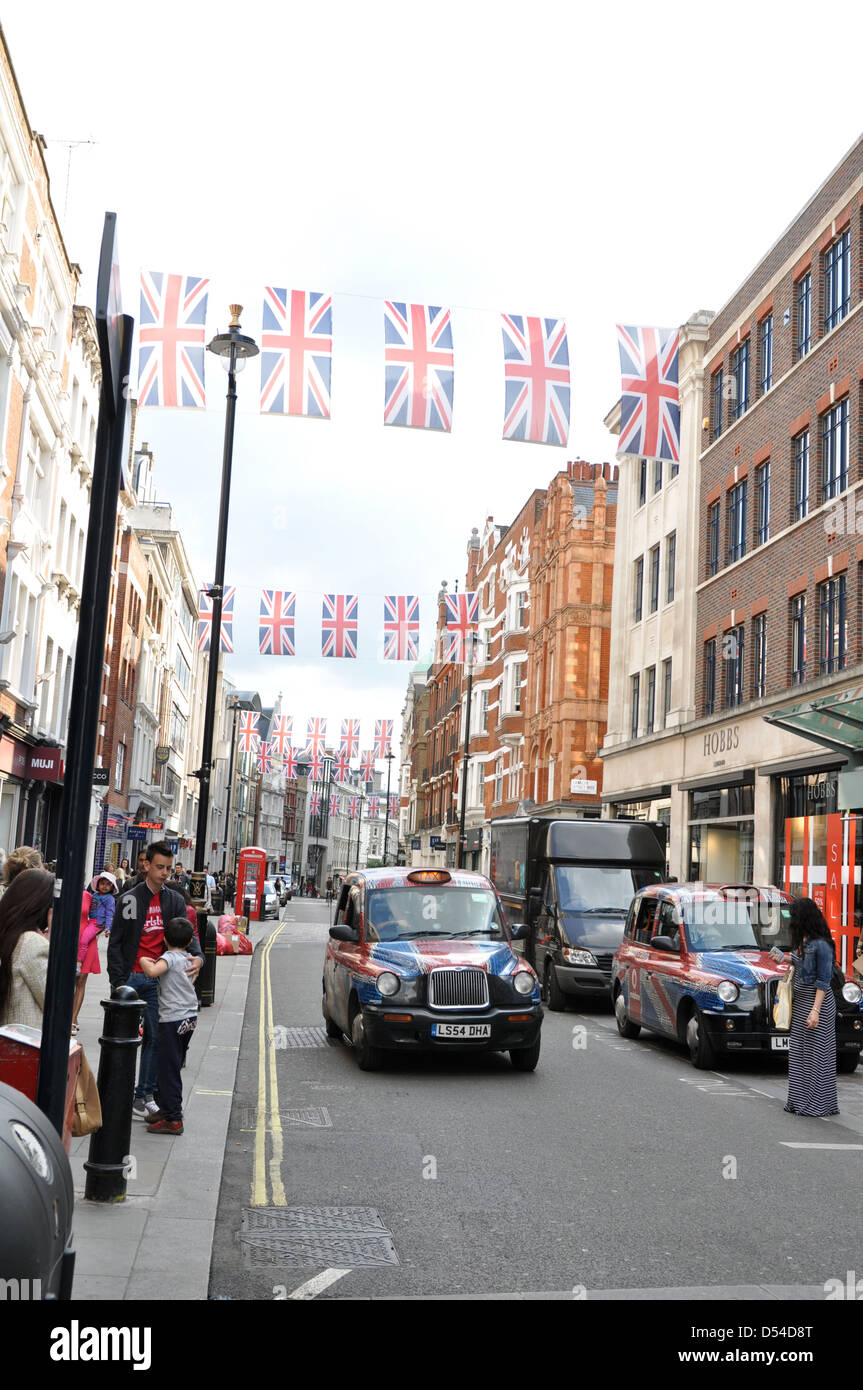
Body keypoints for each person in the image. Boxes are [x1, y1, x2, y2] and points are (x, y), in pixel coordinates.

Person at [108, 840, 203, 1121]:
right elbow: (116, 943)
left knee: (154, 1039)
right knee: (119, 1039)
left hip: (157, 981)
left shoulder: (173, 900)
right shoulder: (130, 898)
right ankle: (114, 1093)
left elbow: (188, 934)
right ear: (146, 865)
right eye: (159, 867)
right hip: (131, 977)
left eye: (169, 869)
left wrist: (199, 957)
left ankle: (143, 1096)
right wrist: (118, 981)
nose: (165, 873)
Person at [771, 897, 838, 1118]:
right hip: (801, 1004)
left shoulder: (822, 944)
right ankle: (799, 1101)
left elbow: (823, 980)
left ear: (804, 918)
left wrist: (816, 1010)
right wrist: (784, 958)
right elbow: (802, 966)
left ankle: (817, 1104)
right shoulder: (805, 940)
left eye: (795, 917)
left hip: (816, 1003)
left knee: (817, 1055)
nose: (792, 922)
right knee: (800, 1054)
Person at [137, 917, 199, 1136]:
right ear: (190, 940)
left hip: (172, 1018)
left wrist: (144, 959)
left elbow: (153, 972)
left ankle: (173, 1119)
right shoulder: (190, 959)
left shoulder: (170, 958)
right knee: (172, 1064)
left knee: (168, 1069)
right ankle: (166, 1109)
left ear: (164, 938)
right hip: (189, 1017)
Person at [0, 869, 55, 1028]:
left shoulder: (8, 935)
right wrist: (54, 945)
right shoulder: (31, 943)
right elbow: (57, 1002)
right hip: (29, 1045)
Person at [72, 872, 118, 1032]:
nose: (104, 887)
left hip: (89, 937)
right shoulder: (92, 895)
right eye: (102, 883)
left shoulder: (91, 896)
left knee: (81, 980)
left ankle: (73, 1018)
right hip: (74, 939)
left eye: (108, 884)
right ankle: (69, 1017)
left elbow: (109, 915)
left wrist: (106, 928)